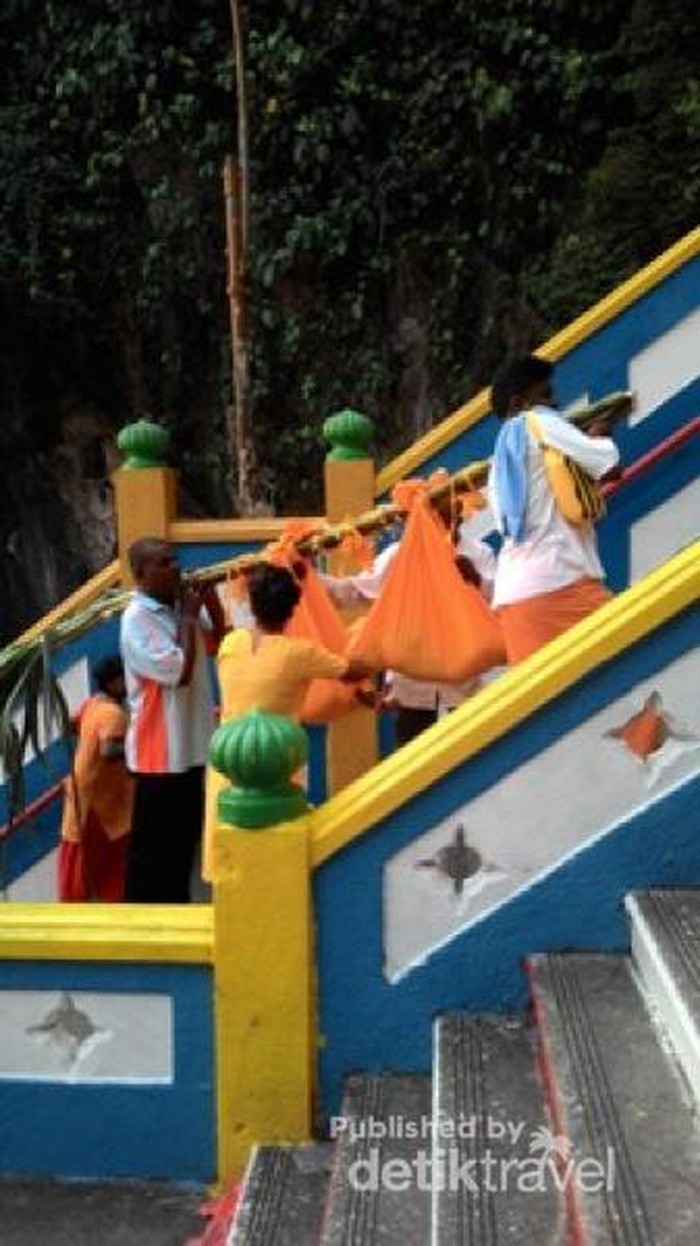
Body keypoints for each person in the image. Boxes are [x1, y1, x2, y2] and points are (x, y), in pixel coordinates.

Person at [203, 562, 372, 880]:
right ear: (293, 610)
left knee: (228, 855)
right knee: (271, 856)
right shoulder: (299, 654)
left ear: (251, 605)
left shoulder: (232, 644)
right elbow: (353, 670)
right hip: (276, 766)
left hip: (228, 760)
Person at [322, 502, 497, 745]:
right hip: (412, 682)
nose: (440, 521)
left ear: (457, 512)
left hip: (464, 679)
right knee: (410, 753)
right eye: (433, 514)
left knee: (472, 752)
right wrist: (315, 582)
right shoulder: (399, 554)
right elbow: (358, 591)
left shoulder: (479, 554)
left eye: (445, 514)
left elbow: (497, 603)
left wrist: (476, 580)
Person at [487, 354, 620, 664]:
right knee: (636, 665)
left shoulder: (498, 464)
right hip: (560, 583)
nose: (556, 402)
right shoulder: (536, 422)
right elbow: (608, 464)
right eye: (546, 394)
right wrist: (600, 433)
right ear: (519, 403)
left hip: (515, 599)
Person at [120, 537, 225, 902]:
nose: (175, 567)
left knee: (183, 844)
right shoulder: (137, 619)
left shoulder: (182, 607)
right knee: (156, 854)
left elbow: (219, 642)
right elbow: (179, 672)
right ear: (141, 575)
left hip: (193, 748)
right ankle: (147, 920)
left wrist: (209, 599)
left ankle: (177, 908)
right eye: (163, 563)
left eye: (175, 560)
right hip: (159, 758)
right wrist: (188, 618)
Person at [58, 655, 134, 902]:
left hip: (86, 798)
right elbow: (109, 751)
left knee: (80, 860)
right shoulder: (113, 714)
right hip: (99, 807)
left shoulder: (92, 704)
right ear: (113, 683)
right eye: (125, 678)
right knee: (108, 863)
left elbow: (69, 724)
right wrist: (139, 746)